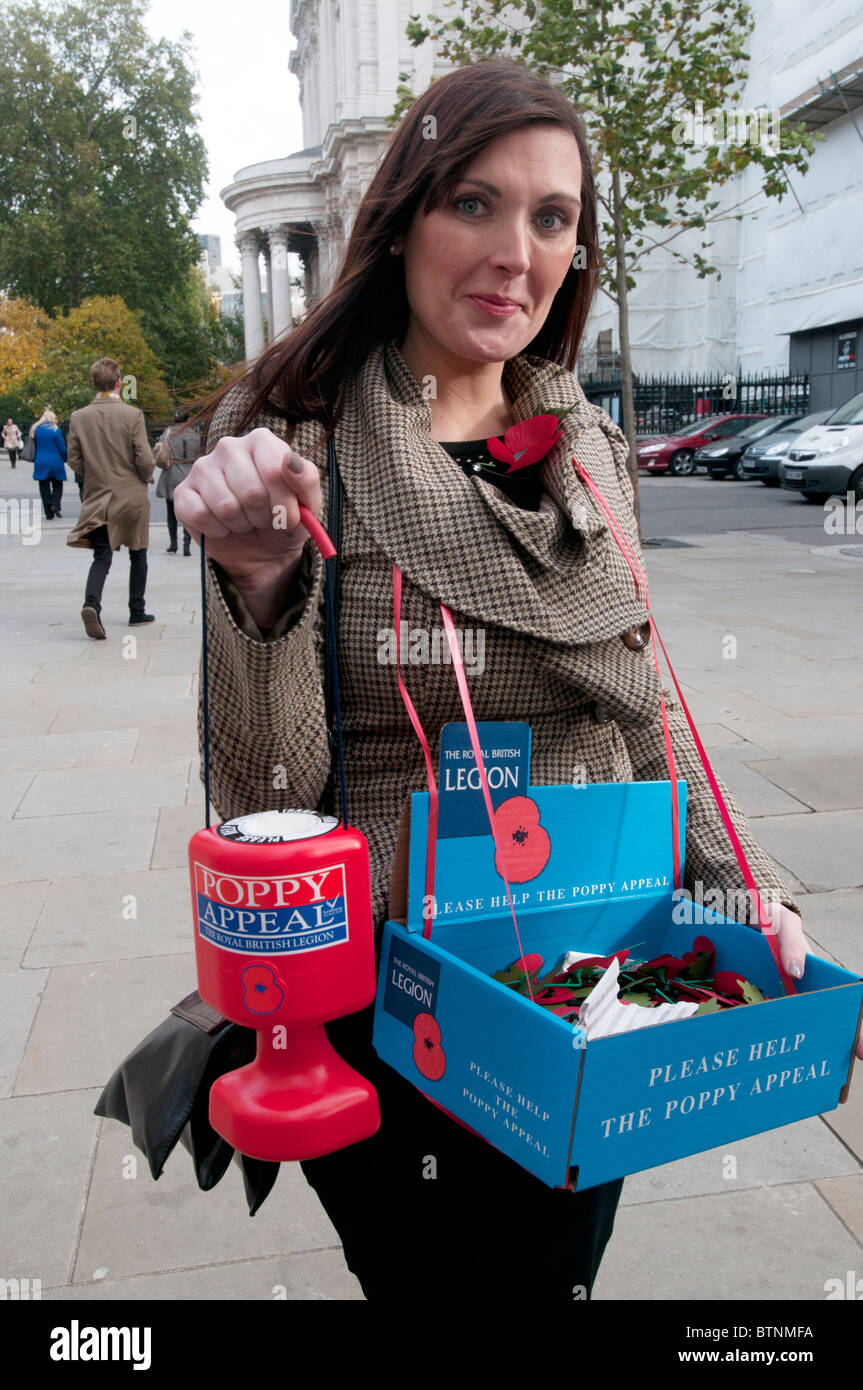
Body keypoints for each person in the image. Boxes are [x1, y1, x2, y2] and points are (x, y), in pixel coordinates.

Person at [175, 60, 819, 1301]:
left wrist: (741, 888)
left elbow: (642, 698)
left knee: (559, 1270)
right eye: (472, 202)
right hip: (404, 998)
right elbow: (263, 791)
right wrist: (259, 585)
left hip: (596, 970)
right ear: (403, 214)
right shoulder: (294, 446)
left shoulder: (586, 444)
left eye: (550, 216)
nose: (513, 251)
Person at [66, 357, 156, 639]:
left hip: (99, 497)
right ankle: (136, 611)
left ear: (94, 382)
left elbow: (74, 460)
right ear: (119, 382)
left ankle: (91, 603)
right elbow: (144, 458)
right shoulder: (133, 415)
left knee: (102, 555)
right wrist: (145, 474)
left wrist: (94, 473)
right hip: (130, 495)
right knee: (138, 552)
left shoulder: (79, 417)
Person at [154, 406, 198, 555]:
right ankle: (187, 544)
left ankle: (173, 543)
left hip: (171, 472)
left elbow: (159, 449)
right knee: (187, 512)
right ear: (188, 419)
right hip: (189, 473)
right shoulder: (195, 435)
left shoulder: (168, 433)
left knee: (171, 512)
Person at [30, 409, 68, 518]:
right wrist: (65, 458)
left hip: (41, 460)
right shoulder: (55, 430)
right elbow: (62, 447)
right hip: (55, 460)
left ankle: (48, 512)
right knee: (58, 484)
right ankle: (55, 504)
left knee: (44, 487)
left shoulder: (36, 430)